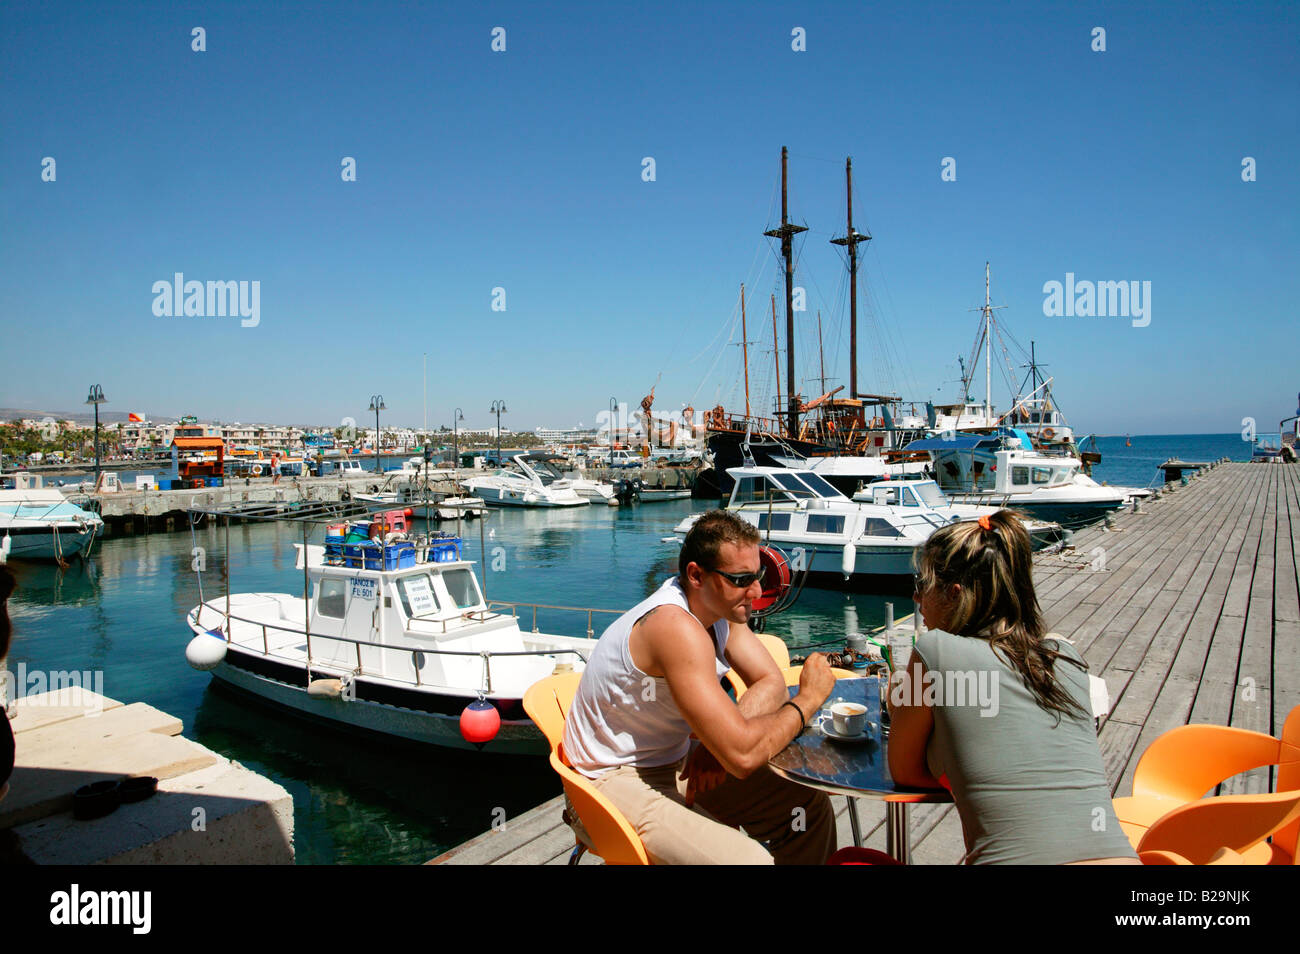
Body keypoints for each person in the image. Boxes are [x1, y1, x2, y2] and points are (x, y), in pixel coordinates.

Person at [562, 510, 838, 864]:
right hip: (605, 783)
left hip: (675, 763)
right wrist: (809, 699)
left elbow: (770, 682)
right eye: (741, 579)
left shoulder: (722, 609)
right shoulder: (673, 626)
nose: (755, 591)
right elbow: (742, 757)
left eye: (758, 575)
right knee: (748, 862)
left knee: (807, 807)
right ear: (696, 575)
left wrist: (718, 742)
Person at [887, 511, 1140, 864]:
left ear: (954, 594)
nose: (916, 599)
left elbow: (904, 772)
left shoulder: (935, 651)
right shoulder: (1065, 657)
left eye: (921, 586)